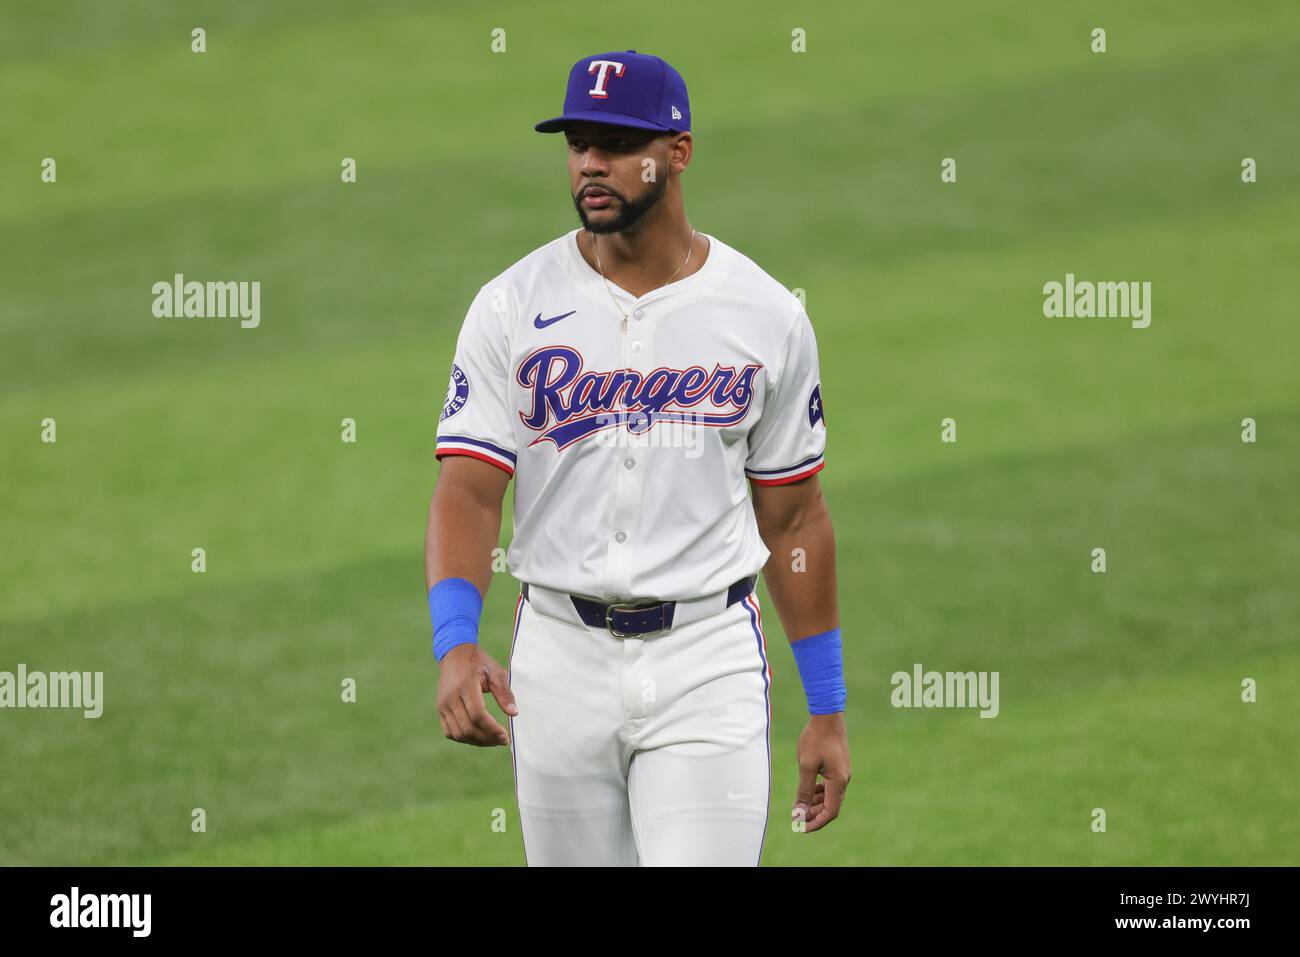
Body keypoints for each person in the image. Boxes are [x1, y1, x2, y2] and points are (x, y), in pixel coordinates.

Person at [425, 50, 849, 866]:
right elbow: (468, 493)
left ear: (677, 151)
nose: (591, 162)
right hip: (555, 659)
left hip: (706, 660)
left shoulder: (765, 315)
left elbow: (796, 516)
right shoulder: (511, 305)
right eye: (578, 141)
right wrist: (455, 641)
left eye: (616, 143)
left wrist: (826, 706)